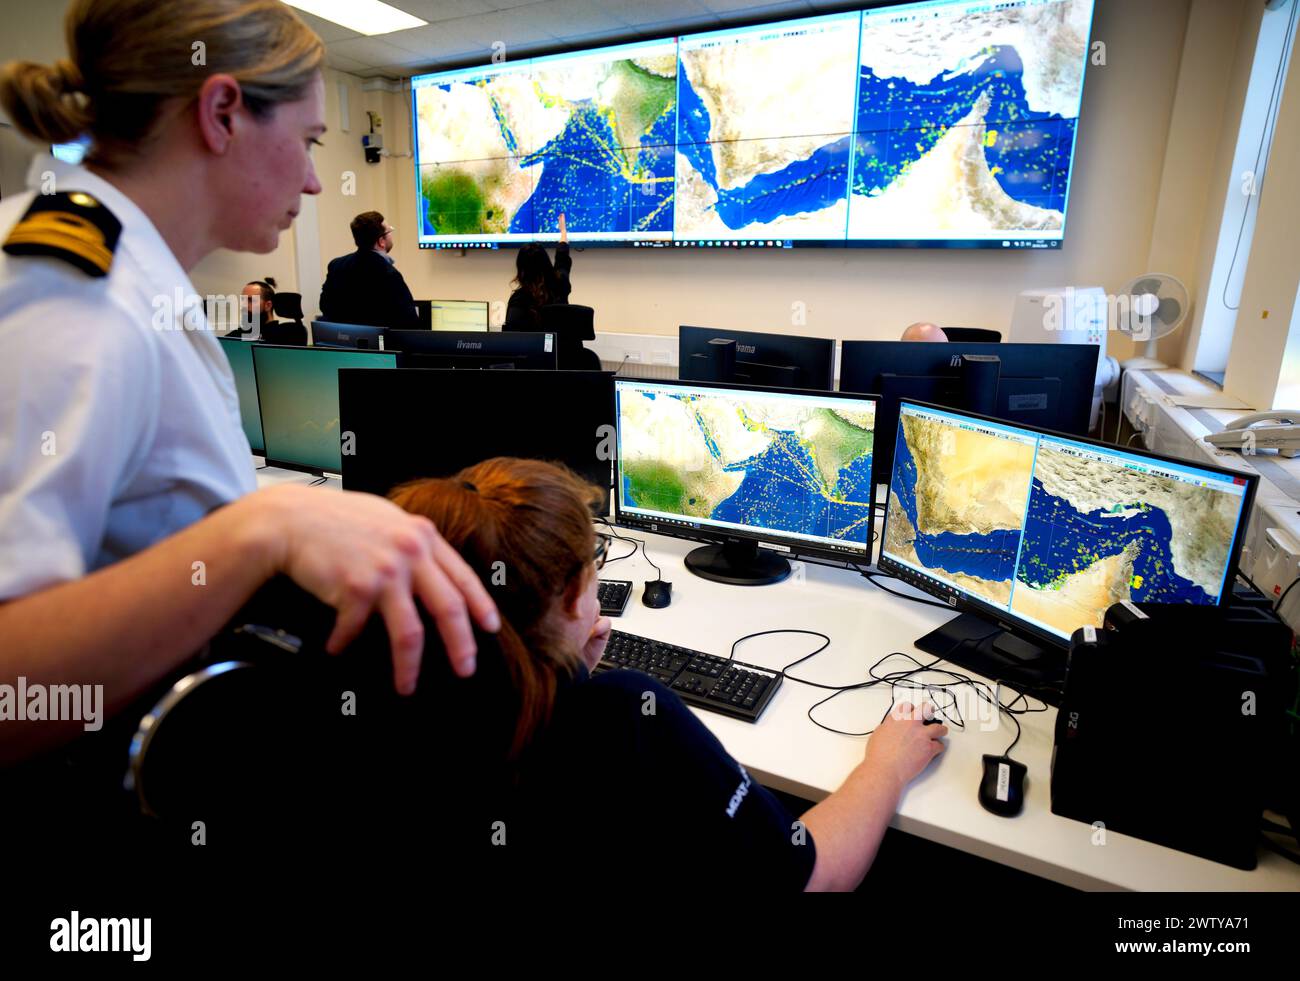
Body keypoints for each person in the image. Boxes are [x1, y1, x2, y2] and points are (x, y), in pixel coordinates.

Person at [0, 0, 498, 768]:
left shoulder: (125, 276)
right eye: (306, 142)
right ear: (222, 111)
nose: (313, 181)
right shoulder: (75, 296)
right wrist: (265, 528)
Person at [389, 457, 949, 891]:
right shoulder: (626, 714)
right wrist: (887, 766)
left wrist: (567, 670)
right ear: (566, 597)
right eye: (594, 560)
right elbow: (814, 876)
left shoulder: (409, 690)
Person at [318, 210, 418, 330]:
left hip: (342, 343)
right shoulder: (388, 274)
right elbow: (409, 322)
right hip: (380, 345)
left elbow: (325, 307)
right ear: (381, 241)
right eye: (389, 231)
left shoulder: (336, 266)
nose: (391, 235)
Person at [504, 212, 572, 329]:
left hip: (531, 347)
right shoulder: (560, 285)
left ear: (521, 271)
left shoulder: (519, 300)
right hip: (563, 346)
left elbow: (511, 338)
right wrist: (563, 232)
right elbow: (562, 258)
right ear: (547, 263)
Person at [227, 277, 306, 345]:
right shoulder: (240, 334)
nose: (244, 306)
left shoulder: (287, 334)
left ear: (268, 305)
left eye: (250, 300)